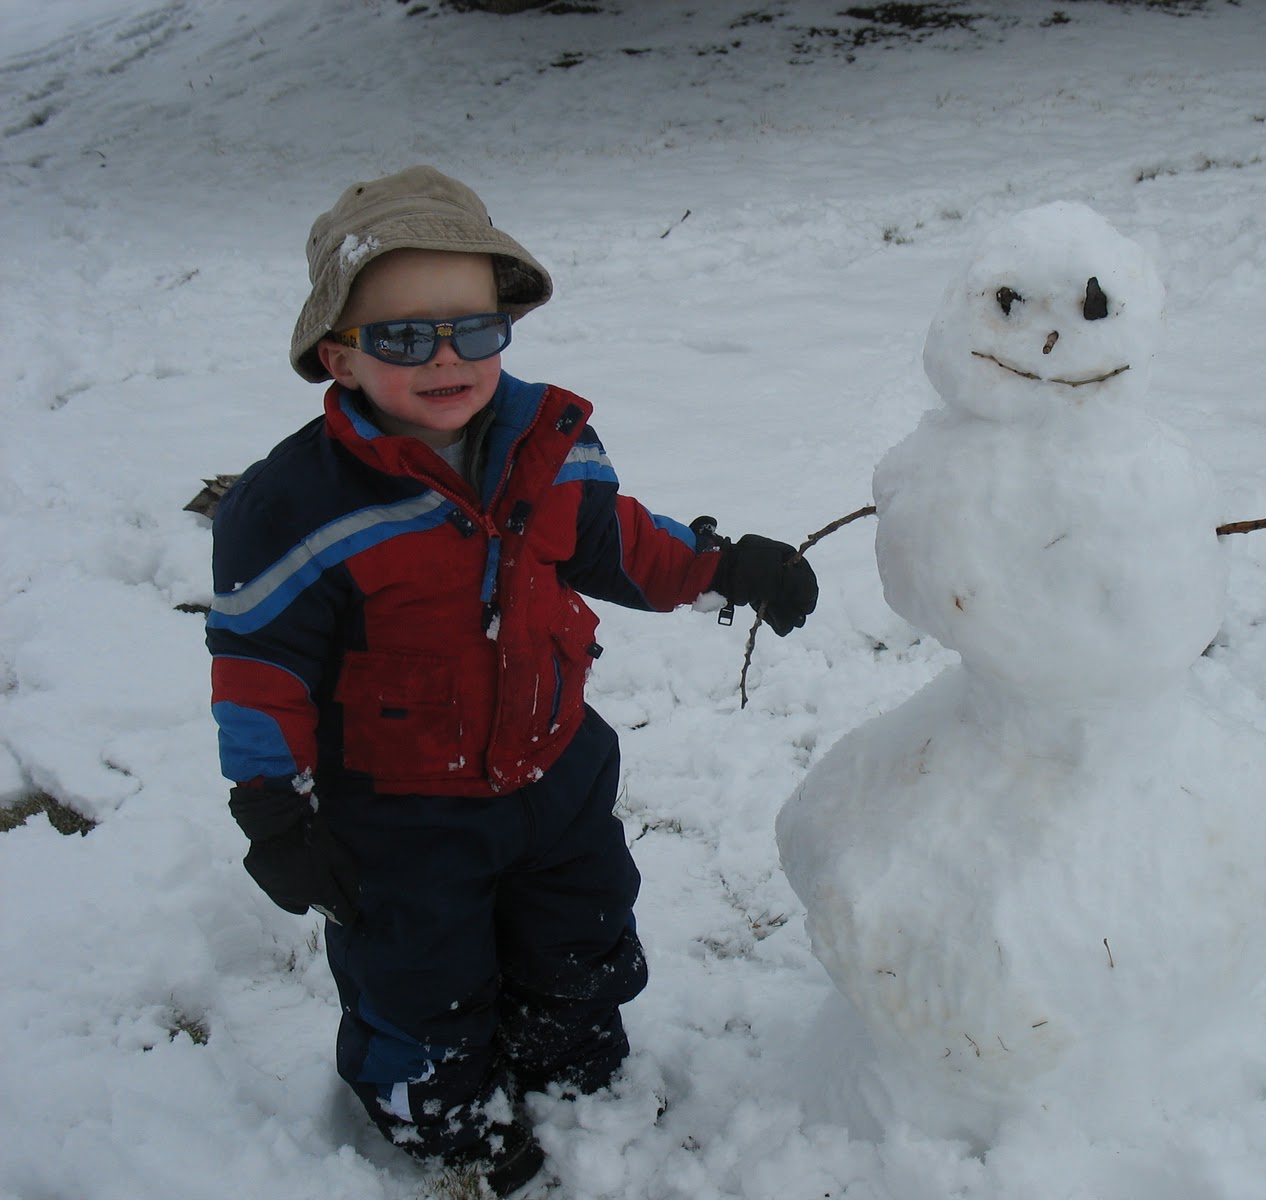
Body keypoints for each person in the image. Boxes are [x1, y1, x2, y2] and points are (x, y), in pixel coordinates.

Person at [206, 165, 817, 1196]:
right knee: (420, 977)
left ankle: (570, 1070)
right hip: (398, 811)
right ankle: (440, 1117)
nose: (445, 359)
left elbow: (612, 544)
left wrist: (722, 568)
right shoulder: (291, 506)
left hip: (554, 771)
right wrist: (274, 806)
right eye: (403, 337)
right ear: (337, 352)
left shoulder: (546, 445)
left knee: (581, 934)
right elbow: (260, 665)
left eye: (472, 331)